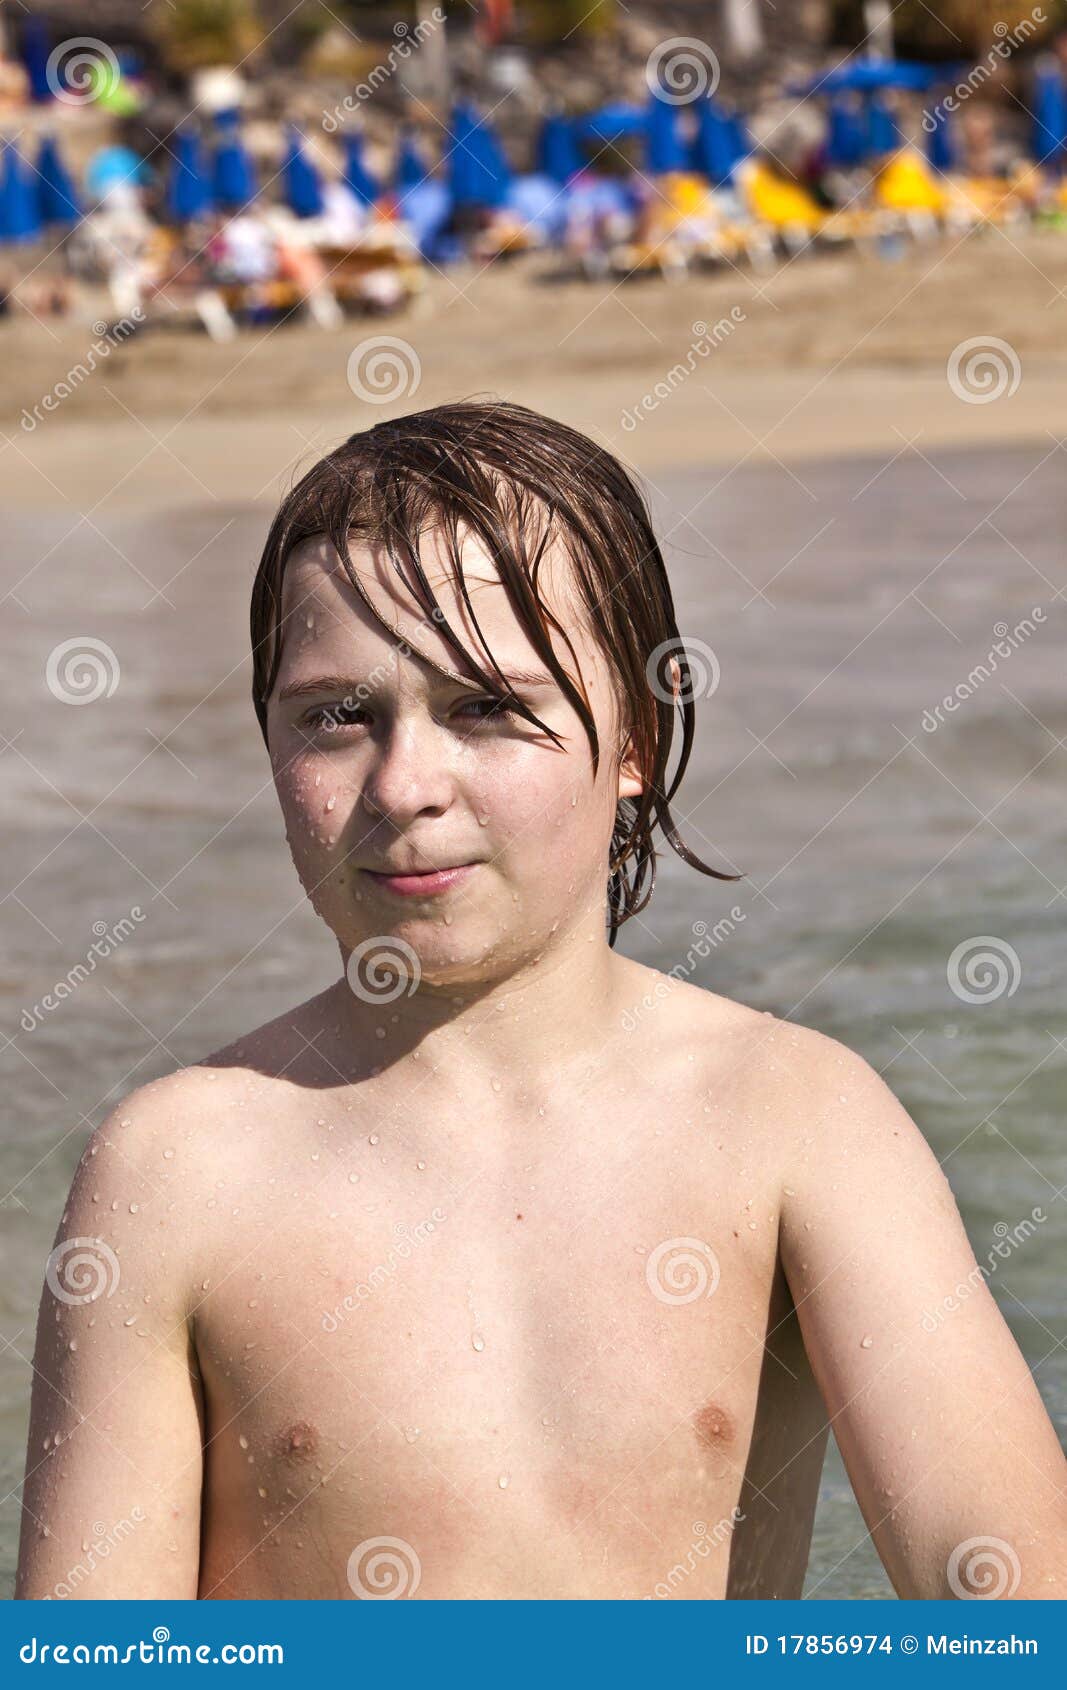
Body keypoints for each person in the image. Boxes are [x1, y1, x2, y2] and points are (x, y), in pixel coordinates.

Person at [14, 402, 1067, 1601]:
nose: (404, 784)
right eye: (336, 716)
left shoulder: (791, 1120)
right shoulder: (179, 1167)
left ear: (634, 738)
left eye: (486, 709)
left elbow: (1009, 1612)